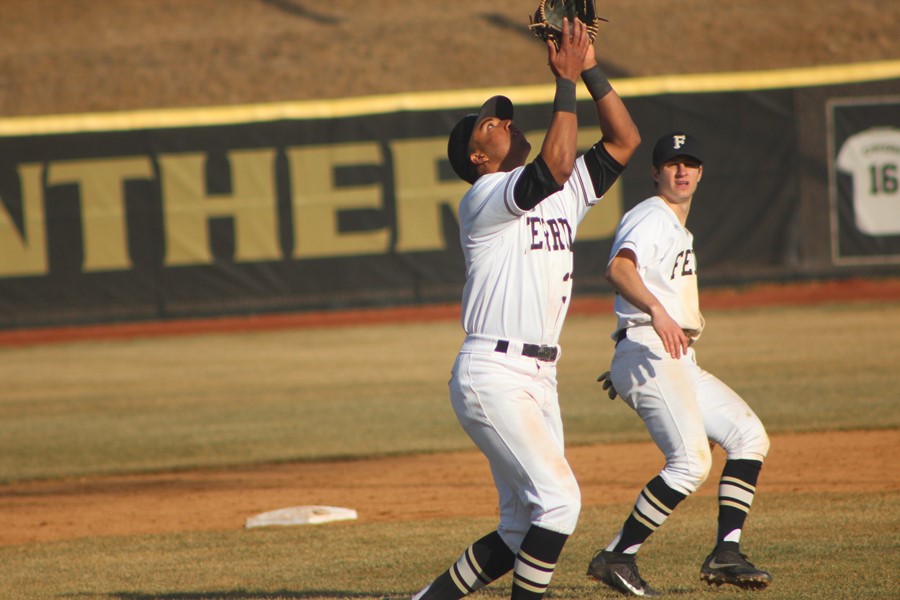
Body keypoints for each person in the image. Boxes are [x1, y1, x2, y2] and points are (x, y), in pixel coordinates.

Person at [410, 18, 640, 600]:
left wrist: (587, 67)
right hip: (494, 373)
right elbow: (555, 167)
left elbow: (623, 143)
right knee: (561, 502)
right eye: (493, 122)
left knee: (521, 528)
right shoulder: (484, 197)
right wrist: (563, 80)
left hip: (540, 377)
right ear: (478, 156)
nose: (506, 122)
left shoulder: (556, 192)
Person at [586, 132, 773, 596]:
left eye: (689, 163)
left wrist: (637, 343)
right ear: (655, 173)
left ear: (701, 171)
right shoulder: (651, 216)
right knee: (690, 463)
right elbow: (619, 269)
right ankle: (617, 556)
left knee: (749, 437)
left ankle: (726, 552)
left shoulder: (675, 226)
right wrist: (650, 321)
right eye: (672, 163)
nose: (682, 171)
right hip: (652, 348)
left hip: (668, 354)